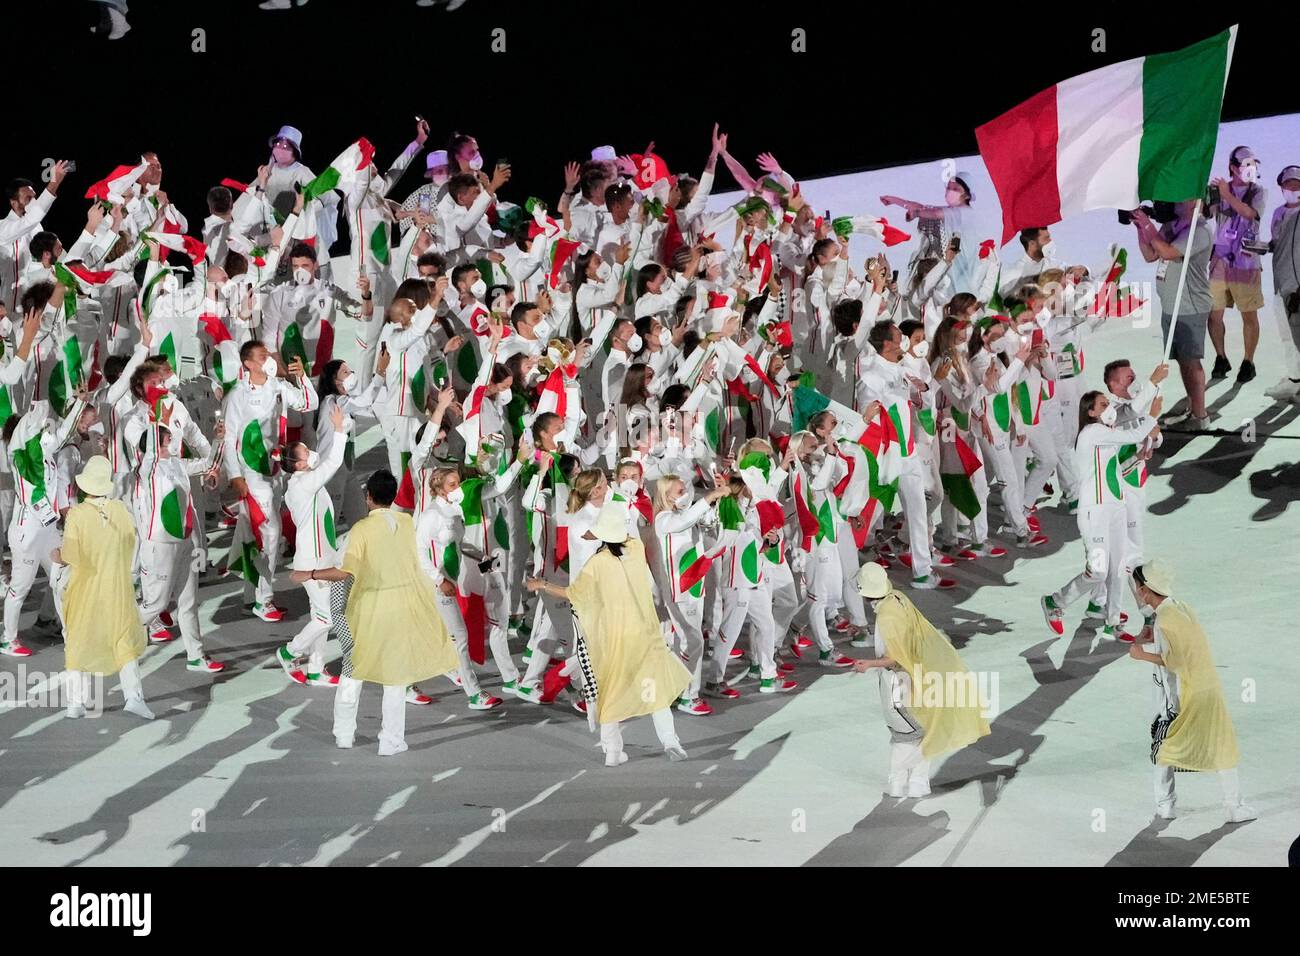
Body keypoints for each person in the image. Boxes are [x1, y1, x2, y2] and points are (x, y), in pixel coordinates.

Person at [292, 469, 460, 756]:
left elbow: (345, 572)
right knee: (395, 679)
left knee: (353, 671)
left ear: (367, 497)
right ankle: (390, 741)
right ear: (393, 496)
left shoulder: (361, 530)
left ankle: (344, 734)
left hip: (368, 612)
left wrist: (307, 573)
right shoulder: (407, 523)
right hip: (402, 609)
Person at [527, 499, 691, 766]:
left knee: (611, 693)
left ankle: (612, 751)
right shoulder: (636, 549)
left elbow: (572, 594)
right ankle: (671, 741)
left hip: (613, 639)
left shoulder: (597, 564)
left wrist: (542, 584)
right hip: (645, 636)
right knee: (656, 692)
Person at [1127, 560, 1257, 824]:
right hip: (1209, 688)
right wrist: (1147, 637)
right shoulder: (1181, 609)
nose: (1137, 591)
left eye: (1138, 586)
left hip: (1183, 695)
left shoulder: (1164, 620)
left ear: (1145, 590)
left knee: (1165, 749)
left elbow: (1174, 660)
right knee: (1222, 747)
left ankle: (1165, 806)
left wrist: (1141, 654)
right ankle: (1233, 806)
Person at [851, 562, 990, 798]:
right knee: (915, 732)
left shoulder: (886, 618)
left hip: (897, 683)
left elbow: (894, 659)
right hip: (918, 675)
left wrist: (868, 664)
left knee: (908, 734)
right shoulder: (899, 599)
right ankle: (913, 782)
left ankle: (904, 783)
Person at [51, 456, 151, 719]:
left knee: (77, 641)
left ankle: (76, 703)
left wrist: (56, 555)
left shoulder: (77, 515)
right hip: (116, 587)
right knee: (122, 640)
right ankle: (134, 696)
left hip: (85, 589)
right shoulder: (119, 509)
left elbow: (70, 554)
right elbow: (131, 542)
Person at [1132, 201, 1214, 430]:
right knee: (1183, 361)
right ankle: (1193, 408)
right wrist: (1140, 226)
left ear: (1196, 202)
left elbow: (1167, 252)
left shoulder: (1199, 231)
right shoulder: (1171, 225)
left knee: (1192, 362)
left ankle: (1201, 417)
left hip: (1190, 307)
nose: (1175, 199)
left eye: (1182, 196)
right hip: (1170, 306)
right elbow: (1150, 254)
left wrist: (1148, 224)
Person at [1206, 147, 1267, 384]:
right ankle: (1221, 357)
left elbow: (1249, 213)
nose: (1251, 168)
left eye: (1253, 164)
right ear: (1233, 167)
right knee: (1214, 314)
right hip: (1220, 261)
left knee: (1248, 315)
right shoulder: (1219, 190)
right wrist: (1208, 196)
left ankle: (1248, 361)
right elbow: (1208, 215)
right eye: (1245, 164)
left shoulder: (1259, 192)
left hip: (1246, 263)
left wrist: (1226, 195)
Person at [1265, 164, 1300, 402]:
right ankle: (1294, 379)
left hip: (1297, 288)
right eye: (1289, 185)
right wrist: (1264, 247)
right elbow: (1278, 244)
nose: (1294, 189)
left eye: (1297, 185)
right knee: (1287, 337)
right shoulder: (1278, 213)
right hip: (1280, 286)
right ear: (1281, 187)